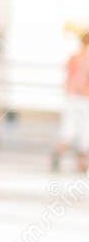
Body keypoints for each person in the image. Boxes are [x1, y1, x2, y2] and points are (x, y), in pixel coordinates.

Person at [51, 31, 89, 174]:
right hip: (85, 98)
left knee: (69, 128)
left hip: (72, 97)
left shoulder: (74, 58)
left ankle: (59, 153)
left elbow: (68, 78)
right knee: (85, 130)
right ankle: (82, 162)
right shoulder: (83, 59)